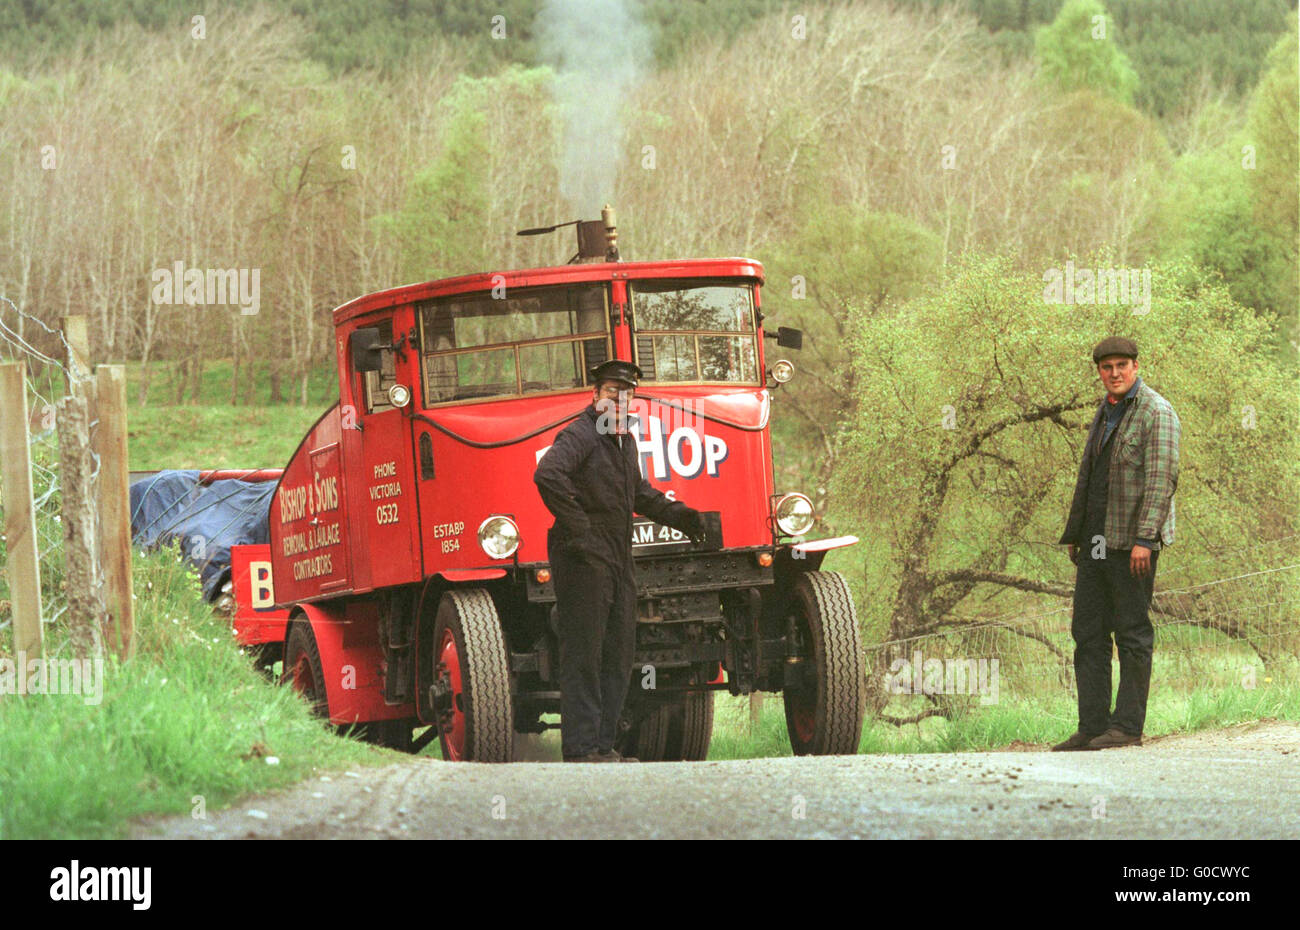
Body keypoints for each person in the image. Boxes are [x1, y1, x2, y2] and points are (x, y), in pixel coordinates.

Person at [533, 359, 707, 763]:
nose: (619, 398)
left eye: (626, 393)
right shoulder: (580, 435)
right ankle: (579, 749)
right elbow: (547, 475)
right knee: (585, 656)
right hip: (582, 559)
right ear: (596, 396)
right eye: (612, 391)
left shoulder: (624, 441)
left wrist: (683, 518)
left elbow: (640, 493)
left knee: (618, 654)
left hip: (617, 557)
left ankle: (602, 746)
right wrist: (580, 529)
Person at [1055, 337, 1180, 751]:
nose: (1115, 373)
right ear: (1099, 371)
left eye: (1122, 365)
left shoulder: (1156, 412)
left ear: (1136, 366)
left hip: (1133, 544)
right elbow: (1090, 476)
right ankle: (1092, 727)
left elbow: (1161, 481)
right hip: (1094, 541)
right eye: (1107, 367)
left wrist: (1146, 539)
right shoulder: (1106, 411)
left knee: (1132, 632)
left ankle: (1127, 728)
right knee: (1088, 632)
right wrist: (1076, 533)